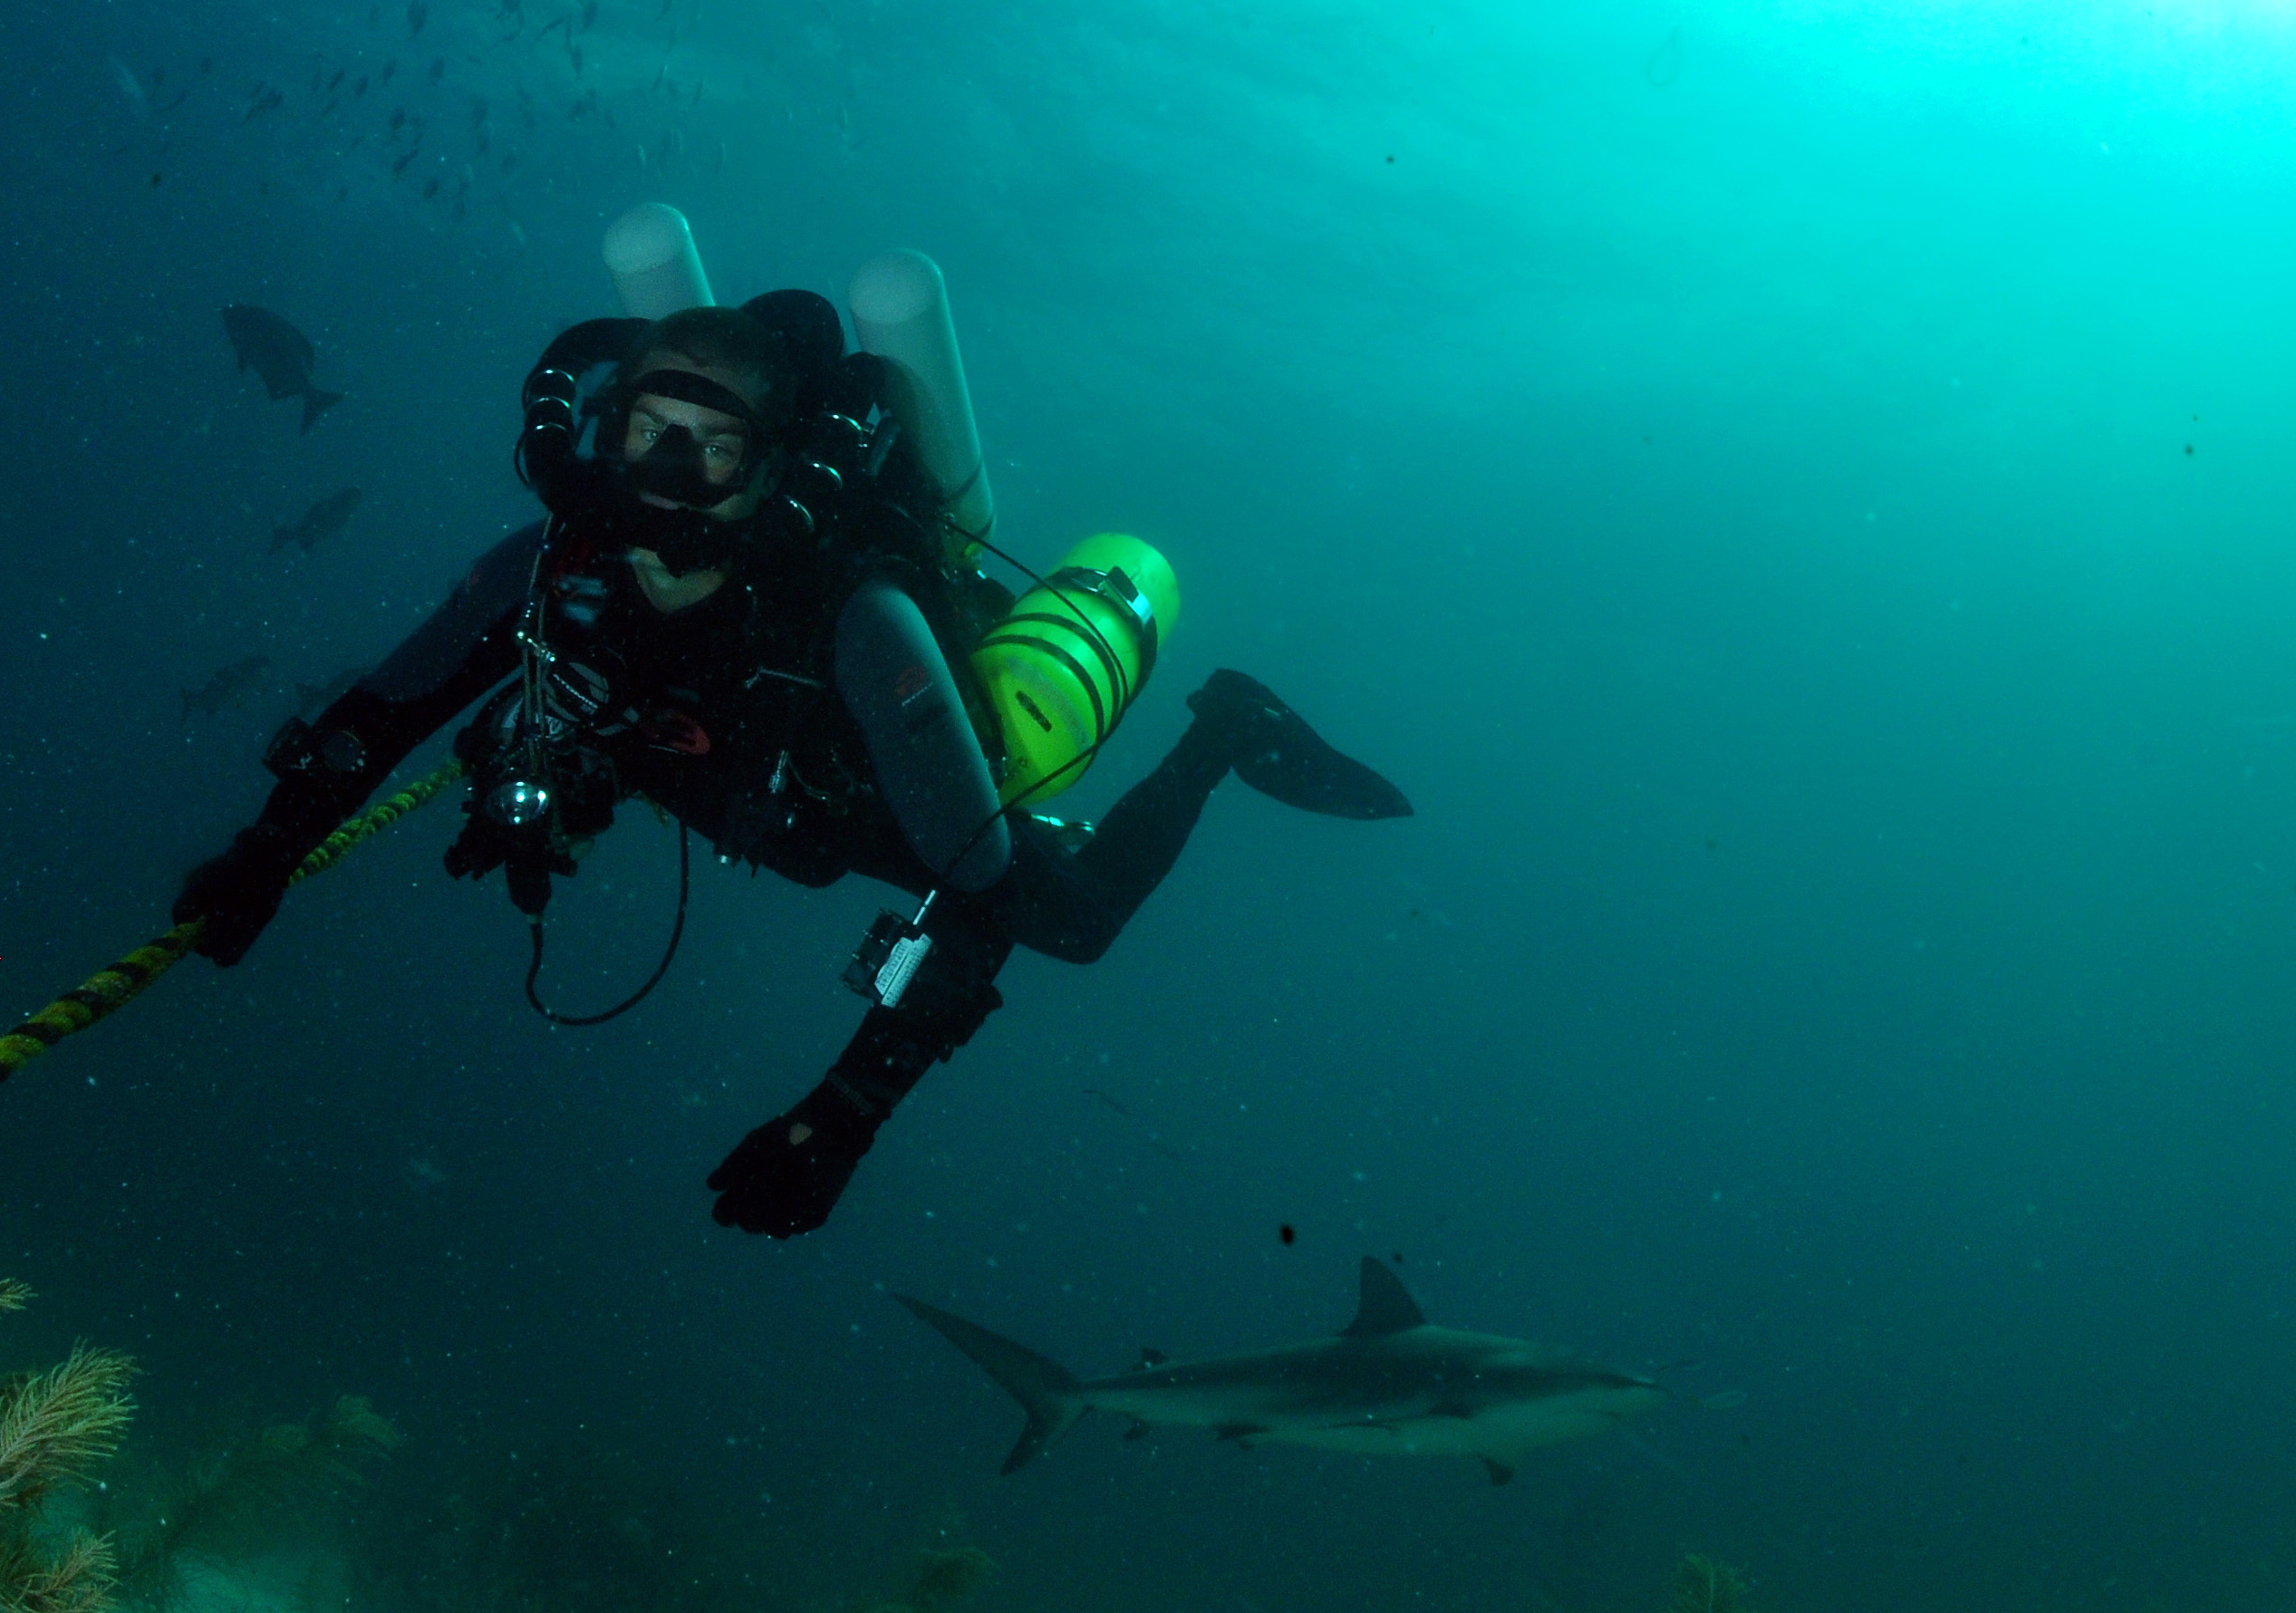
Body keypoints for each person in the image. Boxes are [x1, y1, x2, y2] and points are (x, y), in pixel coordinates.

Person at [172, 295, 1409, 1238]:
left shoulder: (853, 624)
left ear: (767, 467)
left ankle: (1221, 731)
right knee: (522, 735)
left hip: (856, 783)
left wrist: (841, 1120)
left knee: (1068, 919)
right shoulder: (555, 568)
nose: (664, 479)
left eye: (705, 449)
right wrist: (267, 850)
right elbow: (383, 711)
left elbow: (972, 895)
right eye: (646, 433)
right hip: (710, 765)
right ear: (599, 438)